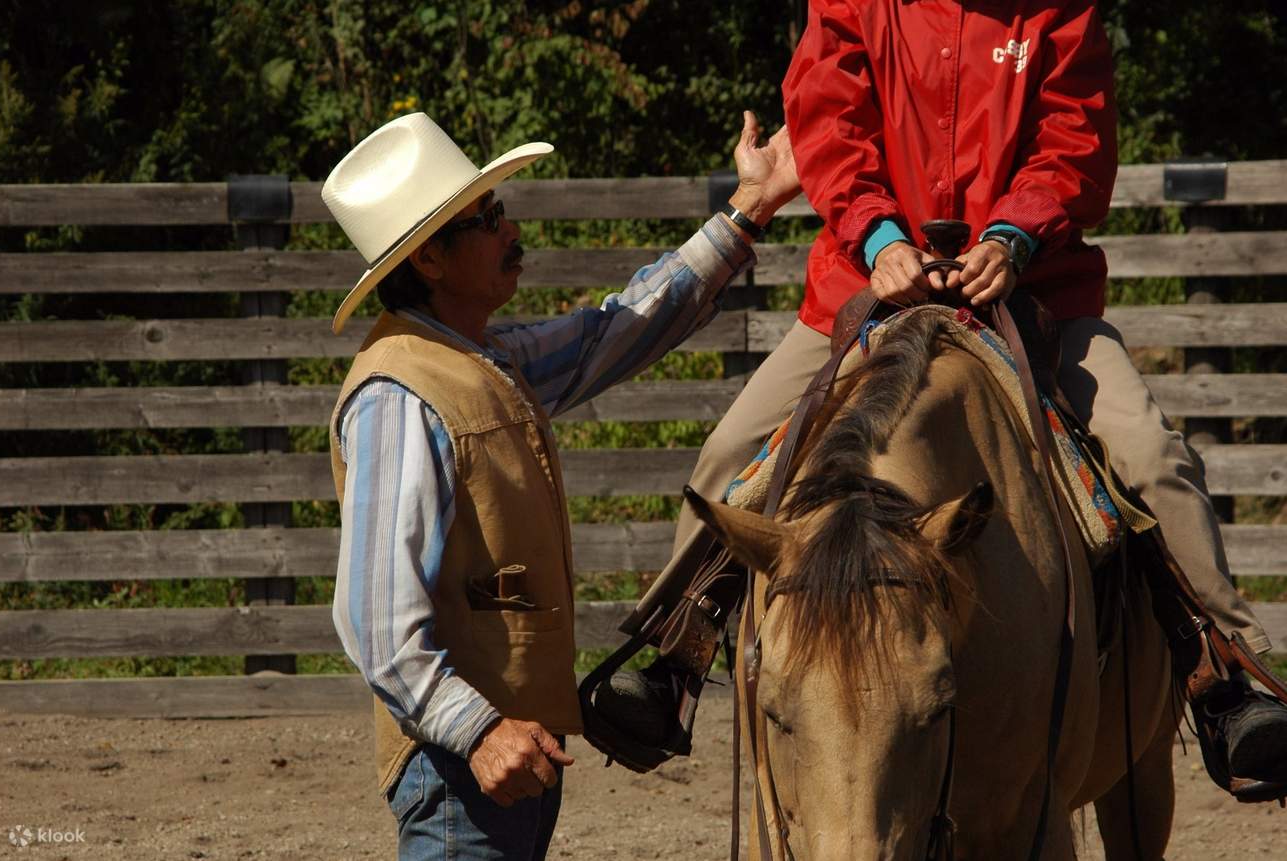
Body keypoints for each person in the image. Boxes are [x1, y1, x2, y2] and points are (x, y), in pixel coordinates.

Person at [619, 0, 1287, 800]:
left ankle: (1225, 679)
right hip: (862, 294)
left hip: (1034, 298)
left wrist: (1011, 235)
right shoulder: (849, 6)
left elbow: (1073, 140)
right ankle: (671, 660)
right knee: (731, 454)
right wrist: (878, 237)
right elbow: (830, 125)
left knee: (1150, 453)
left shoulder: (1057, 12)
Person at [321, 108, 799, 859]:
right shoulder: (399, 395)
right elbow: (375, 622)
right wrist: (477, 730)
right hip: (465, 760)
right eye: (486, 219)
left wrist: (747, 210)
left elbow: (614, 329)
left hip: (501, 751)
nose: (510, 231)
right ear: (432, 262)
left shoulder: (481, 359)